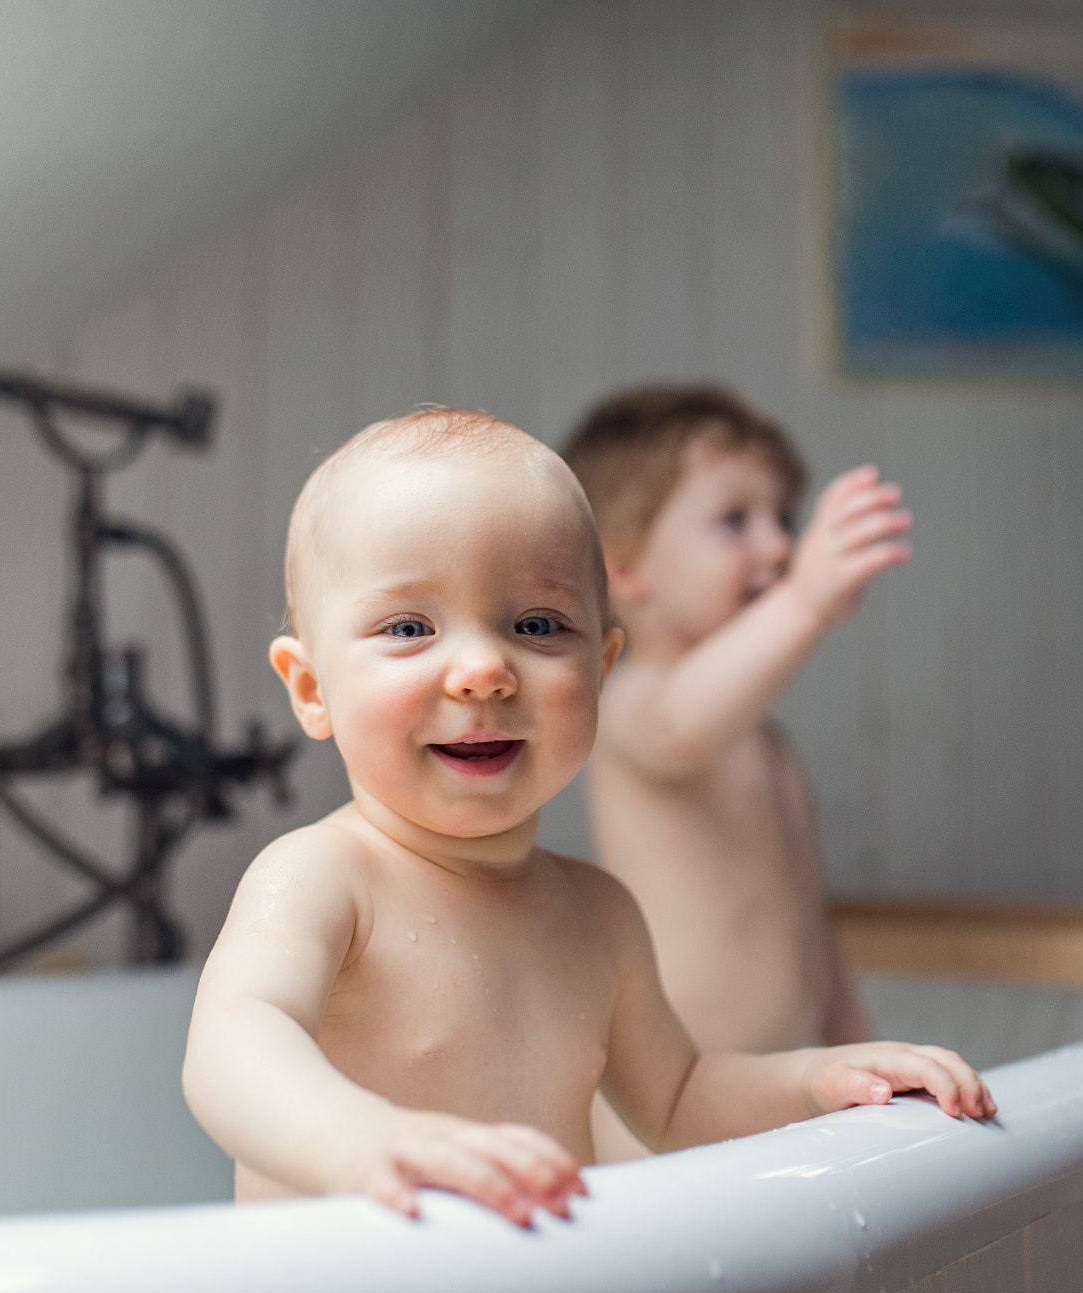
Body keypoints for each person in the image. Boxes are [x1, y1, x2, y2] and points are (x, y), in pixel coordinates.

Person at [181, 407, 991, 1226]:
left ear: (601, 669)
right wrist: (354, 1142)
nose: (484, 671)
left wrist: (818, 1080)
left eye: (537, 625)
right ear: (313, 689)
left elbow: (678, 1101)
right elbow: (233, 1042)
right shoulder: (323, 878)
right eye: (409, 627)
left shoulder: (598, 915)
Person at [562, 387, 908, 1158]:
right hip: (659, 1112)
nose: (780, 548)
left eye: (782, 518)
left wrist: (866, 1053)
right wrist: (809, 601)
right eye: (734, 520)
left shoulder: (765, 743)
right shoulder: (630, 703)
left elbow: (811, 941)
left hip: (776, 1095)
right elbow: (681, 727)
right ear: (625, 567)